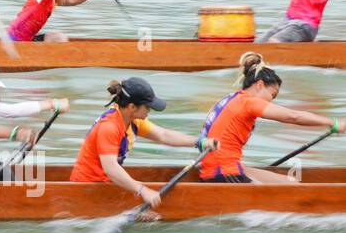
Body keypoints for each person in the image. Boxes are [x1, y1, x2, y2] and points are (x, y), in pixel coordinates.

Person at [69, 78, 213, 210]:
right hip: (88, 189)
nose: (150, 110)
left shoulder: (132, 120)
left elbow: (163, 135)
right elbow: (111, 169)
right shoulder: (109, 127)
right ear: (132, 107)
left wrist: (199, 142)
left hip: (108, 185)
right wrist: (142, 190)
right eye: (147, 106)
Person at [197, 53, 339, 184]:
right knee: (290, 192)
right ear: (259, 85)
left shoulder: (230, 99)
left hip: (217, 169)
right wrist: (331, 122)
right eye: (272, 95)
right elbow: (294, 117)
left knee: (292, 183)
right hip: (225, 173)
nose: (271, 101)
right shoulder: (248, 102)